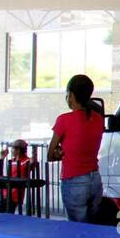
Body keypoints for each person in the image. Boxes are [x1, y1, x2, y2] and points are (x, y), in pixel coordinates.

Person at [49, 75, 105, 223]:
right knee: (92, 227)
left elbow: (50, 154)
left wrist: (59, 153)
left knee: (77, 229)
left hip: (74, 180)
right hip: (95, 180)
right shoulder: (98, 119)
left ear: (71, 95)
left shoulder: (64, 120)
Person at [0, 139, 34, 214]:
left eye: (12, 148)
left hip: (15, 194)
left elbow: (31, 167)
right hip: (6, 192)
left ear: (18, 150)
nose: (11, 151)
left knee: (3, 212)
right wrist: (2, 158)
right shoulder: (11, 161)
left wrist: (33, 161)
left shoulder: (26, 161)